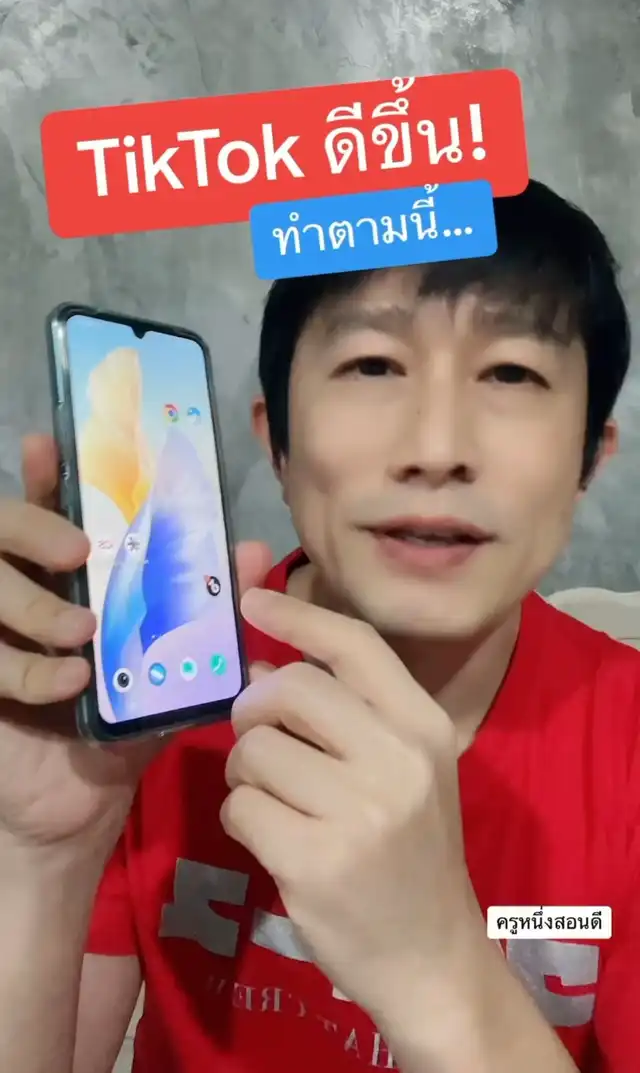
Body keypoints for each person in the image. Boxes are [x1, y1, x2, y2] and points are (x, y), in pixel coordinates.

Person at [0, 178, 637, 1073]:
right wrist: (39, 858)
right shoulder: (156, 699)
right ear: (279, 441)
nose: (436, 448)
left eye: (511, 373)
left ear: (588, 459)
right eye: (373, 365)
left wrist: (441, 974)